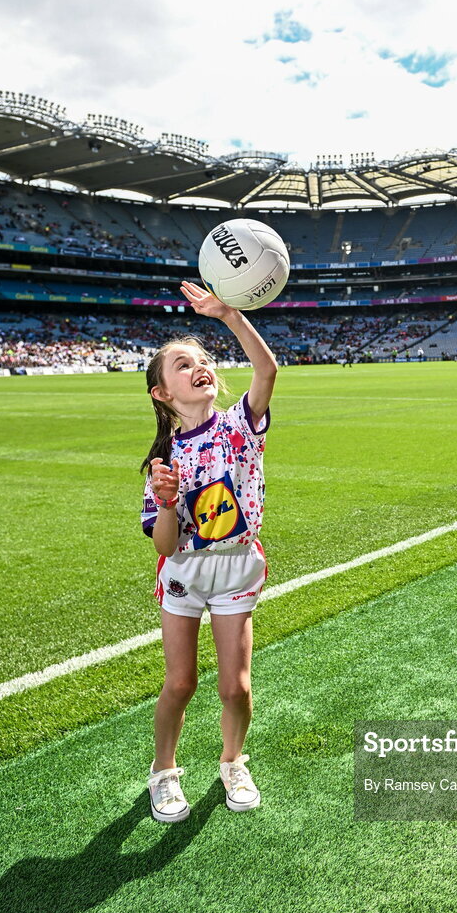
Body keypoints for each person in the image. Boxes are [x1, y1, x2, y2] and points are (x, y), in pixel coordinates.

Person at [141, 280, 277, 823]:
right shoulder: (163, 459)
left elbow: (266, 370)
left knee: (235, 686)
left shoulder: (240, 425)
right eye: (182, 365)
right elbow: (164, 544)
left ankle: (233, 762)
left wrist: (229, 316)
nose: (198, 367)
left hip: (238, 566)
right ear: (162, 393)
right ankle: (163, 771)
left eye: (203, 361)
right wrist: (166, 501)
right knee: (181, 682)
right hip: (184, 571)